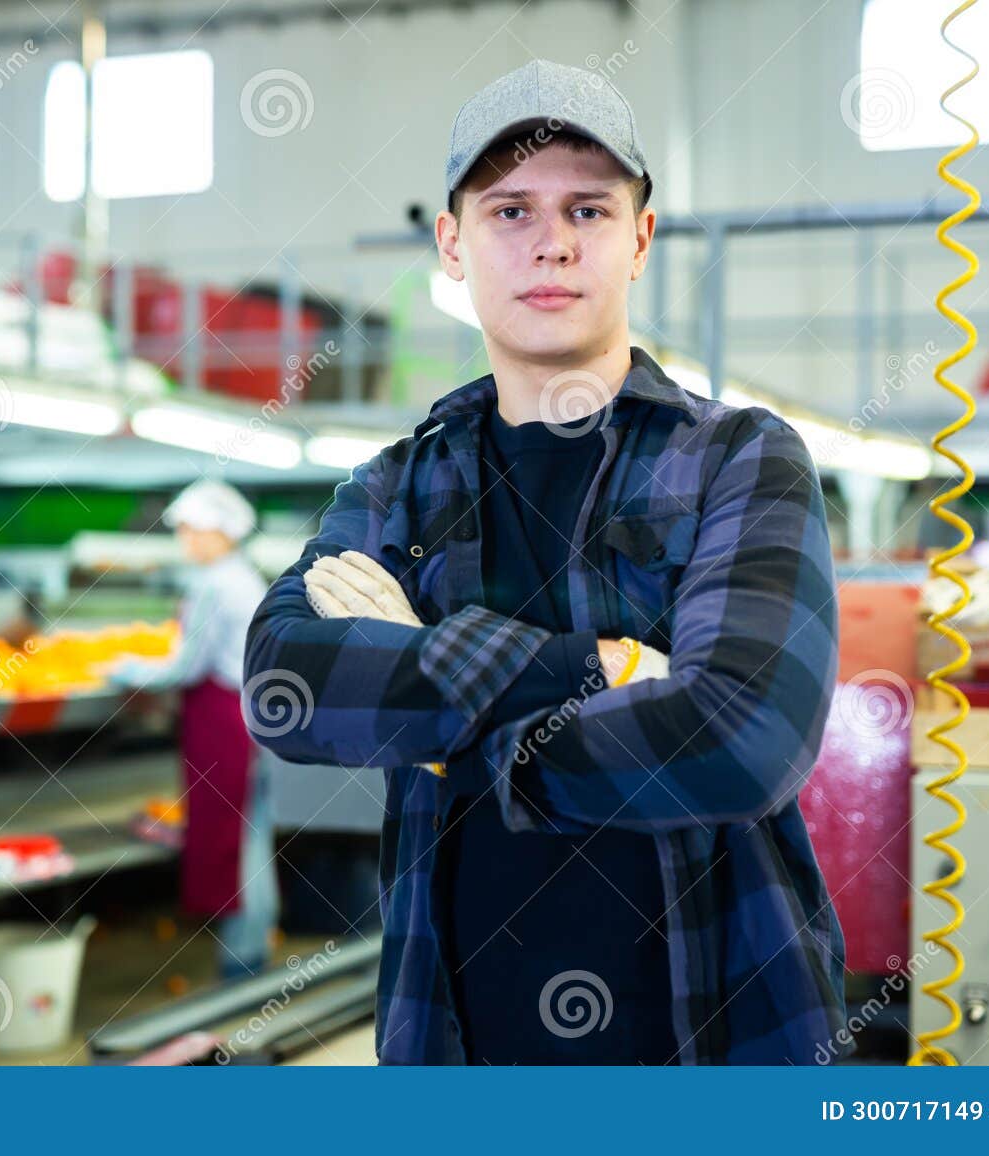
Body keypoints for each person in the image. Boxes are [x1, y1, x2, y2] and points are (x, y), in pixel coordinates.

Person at [243, 60, 848, 1064]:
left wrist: (441, 717)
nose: (552, 241)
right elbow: (283, 687)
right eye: (510, 209)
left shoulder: (740, 458)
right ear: (452, 242)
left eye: (590, 209)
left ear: (641, 238)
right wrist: (592, 669)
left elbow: (743, 738)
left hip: (717, 1036)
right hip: (455, 1042)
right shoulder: (396, 486)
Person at [106, 478, 279, 980]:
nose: (184, 540)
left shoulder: (214, 583)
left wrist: (123, 668)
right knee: (251, 835)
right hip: (254, 718)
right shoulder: (246, 577)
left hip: (224, 722)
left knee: (232, 840)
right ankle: (253, 958)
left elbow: (186, 666)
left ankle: (241, 966)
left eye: (189, 529)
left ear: (217, 532)